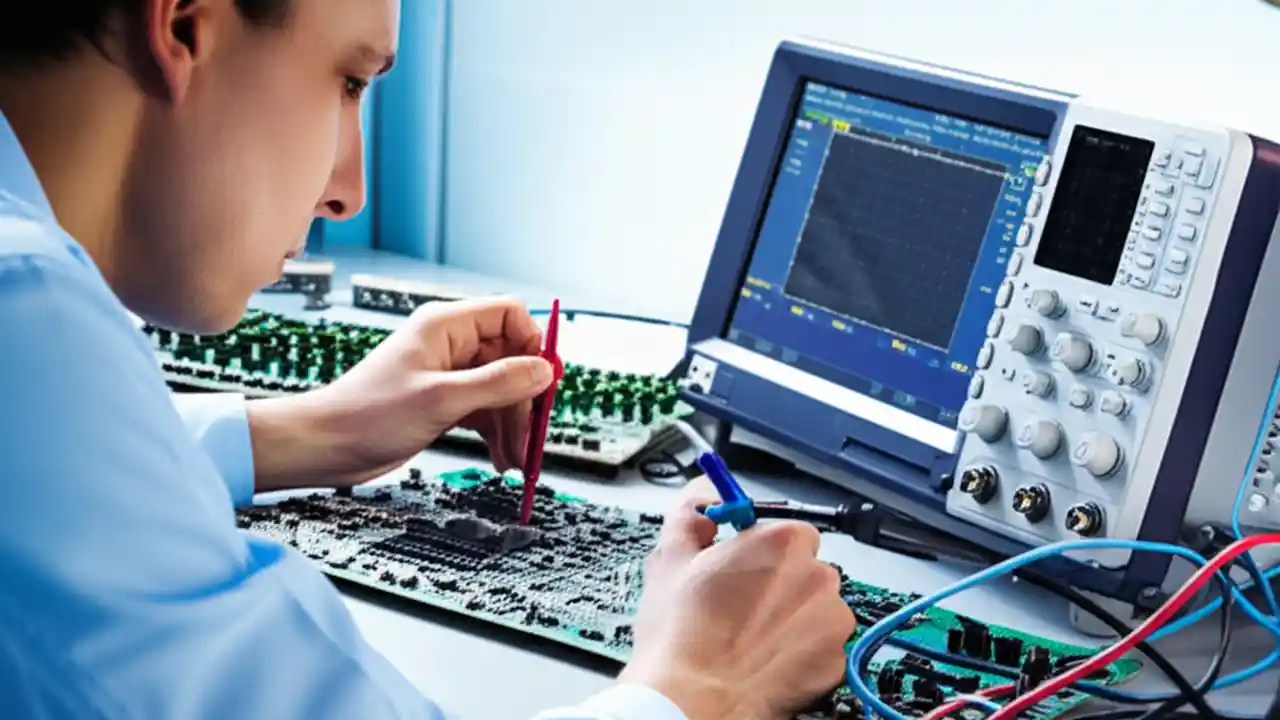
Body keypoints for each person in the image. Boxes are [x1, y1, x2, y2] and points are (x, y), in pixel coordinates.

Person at [0, 1, 856, 719]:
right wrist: (699, 684)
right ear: (184, 25)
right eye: (346, 82)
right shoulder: (27, 317)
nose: (350, 191)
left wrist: (307, 431)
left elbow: (52, 491)